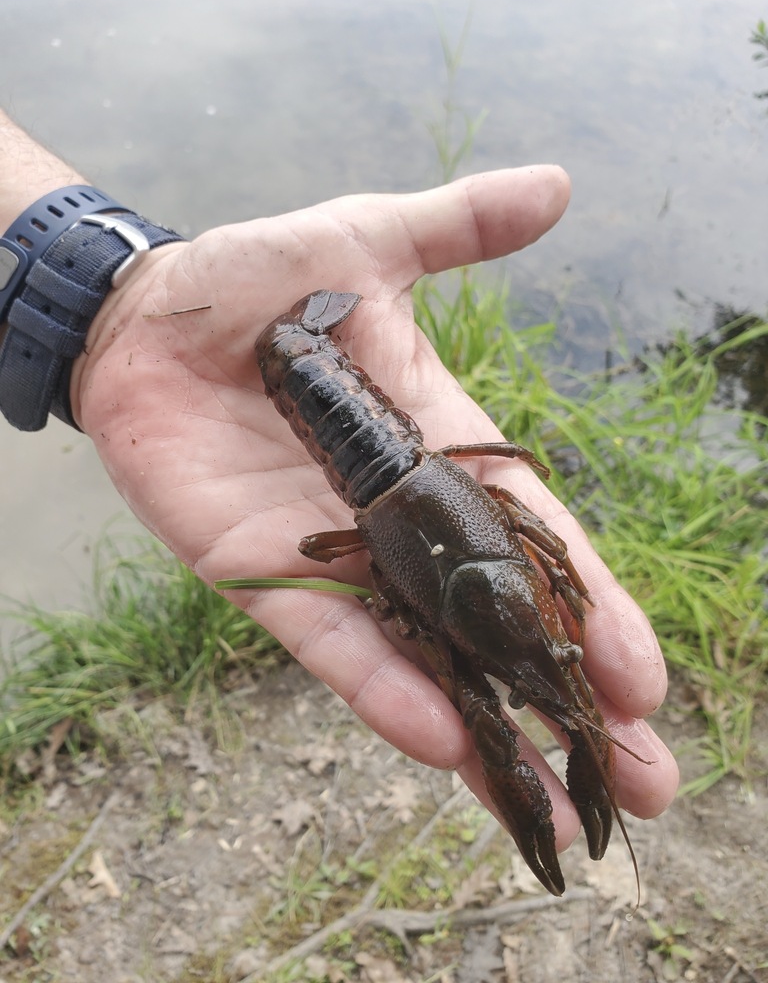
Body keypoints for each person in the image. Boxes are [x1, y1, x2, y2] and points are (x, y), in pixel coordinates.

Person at [0, 109, 678, 860]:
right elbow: (509, 531)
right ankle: (294, 344)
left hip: (391, 455)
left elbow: (490, 541)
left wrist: (100, 295)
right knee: (499, 690)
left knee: (533, 685)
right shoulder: (513, 544)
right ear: (533, 558)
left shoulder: (501, 545)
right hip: (354, 425)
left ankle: (291, 344)